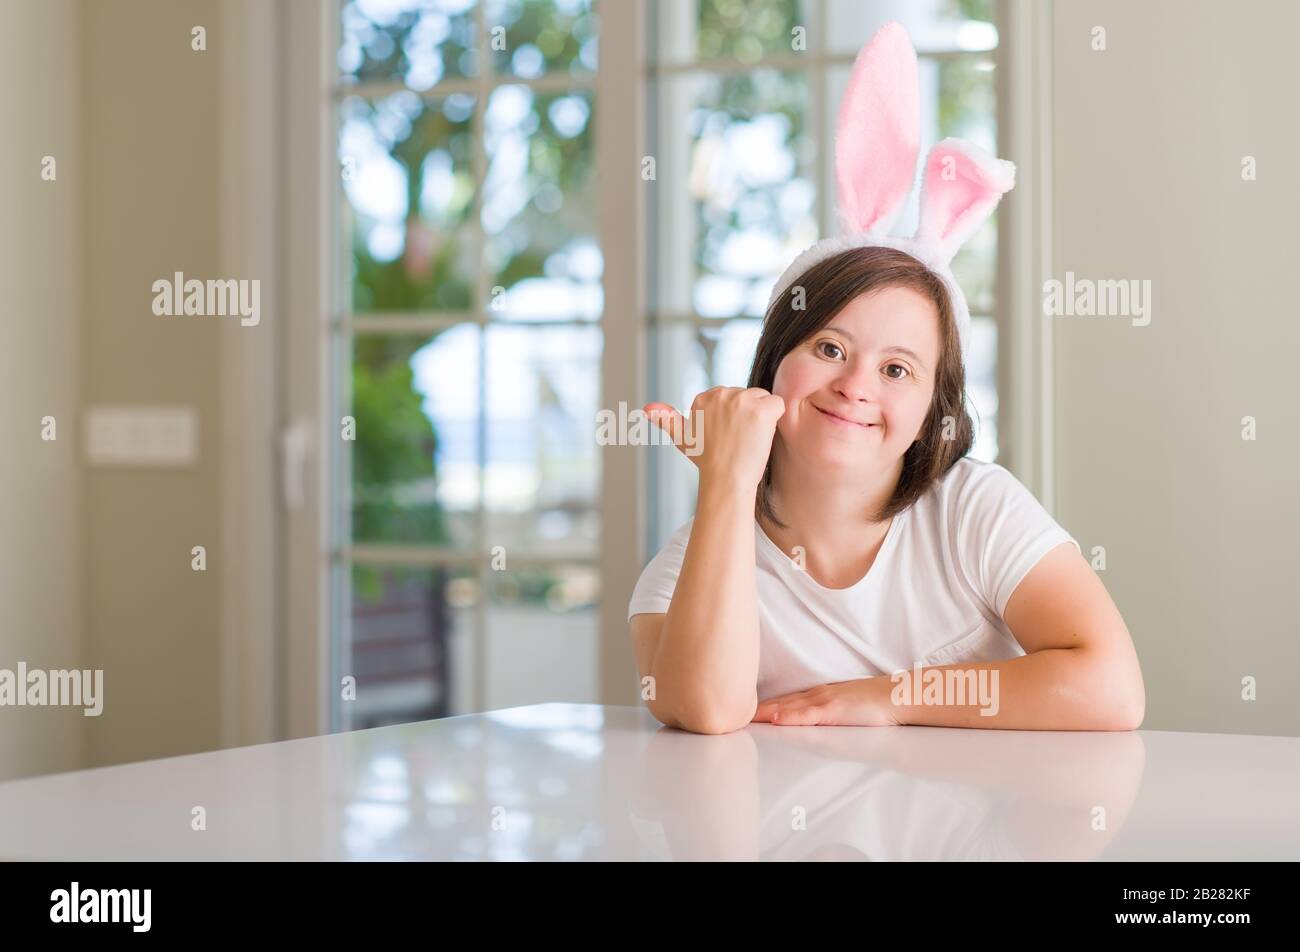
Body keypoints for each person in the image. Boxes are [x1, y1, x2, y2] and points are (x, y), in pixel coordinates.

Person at [625, 22, 1144, 734]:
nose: (857, 384)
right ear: (775, 362)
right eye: (831, 349)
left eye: (898, 368)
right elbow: (705, 710)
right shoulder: (695, 560)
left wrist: (881, 697)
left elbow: (1110, 689)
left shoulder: (973, 511)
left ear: (935, 407)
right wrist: (726, 485)